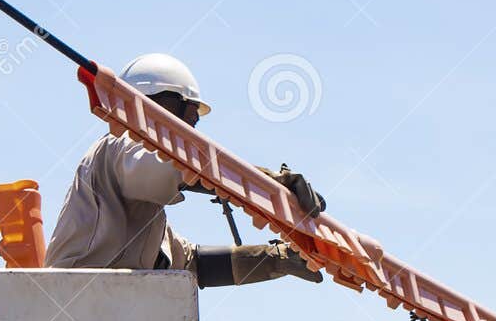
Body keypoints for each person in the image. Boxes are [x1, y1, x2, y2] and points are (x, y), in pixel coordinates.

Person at [45, 53, 325, 287]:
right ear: (151, 106)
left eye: (192, 125)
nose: (188, 133)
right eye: (183, 117)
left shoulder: (144, 222)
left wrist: (277, 258)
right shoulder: (119, 148)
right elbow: (175, 168)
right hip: (72, 309)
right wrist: (267, 183)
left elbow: (192, 265)